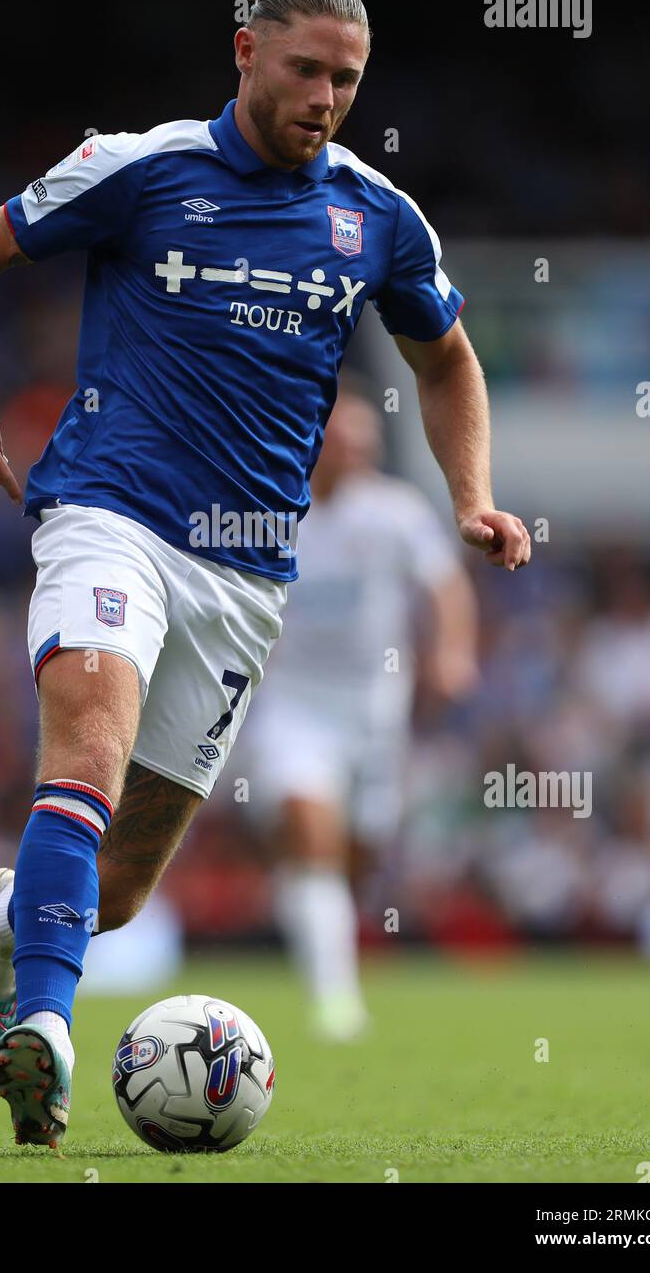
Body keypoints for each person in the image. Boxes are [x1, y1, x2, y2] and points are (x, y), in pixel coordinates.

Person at [0, 0, 530, 1149]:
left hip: (247, 575)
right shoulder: (139, 168)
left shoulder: (376, 216)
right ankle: (44, 1029)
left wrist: (471, 495)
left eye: (346, 80)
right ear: (244, 52)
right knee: (86, 743)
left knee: (118, 886)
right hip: (109, 514)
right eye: (304, 69)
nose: (325, 98)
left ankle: (8, 925)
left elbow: (445, 358)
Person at [234, 383, 479, 1041]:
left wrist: (451, 654)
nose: (359, 451)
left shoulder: (394, 512)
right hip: (294, 705)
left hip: (375, 710)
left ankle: (310, 919)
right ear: (314, 441)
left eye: (366, 441)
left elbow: (445, 586)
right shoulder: (271, 512)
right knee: (307, 826)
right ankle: (335, 1000)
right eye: (346, 440)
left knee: (357, 855)